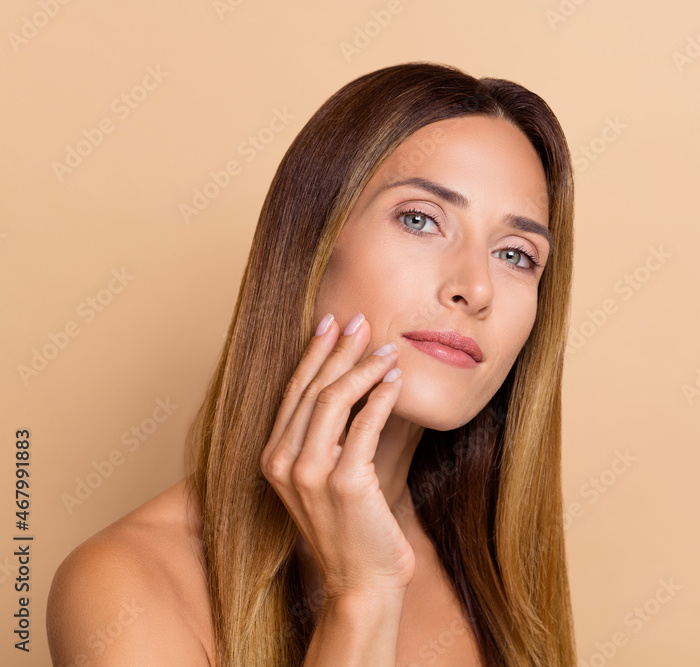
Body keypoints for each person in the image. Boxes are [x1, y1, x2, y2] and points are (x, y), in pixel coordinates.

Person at [46, 61, 577, 666]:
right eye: (421, 219)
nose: (476, 288)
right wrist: (363, 595)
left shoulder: (491, 566)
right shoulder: (124, 586)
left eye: (516, 254)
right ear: (313, 246)